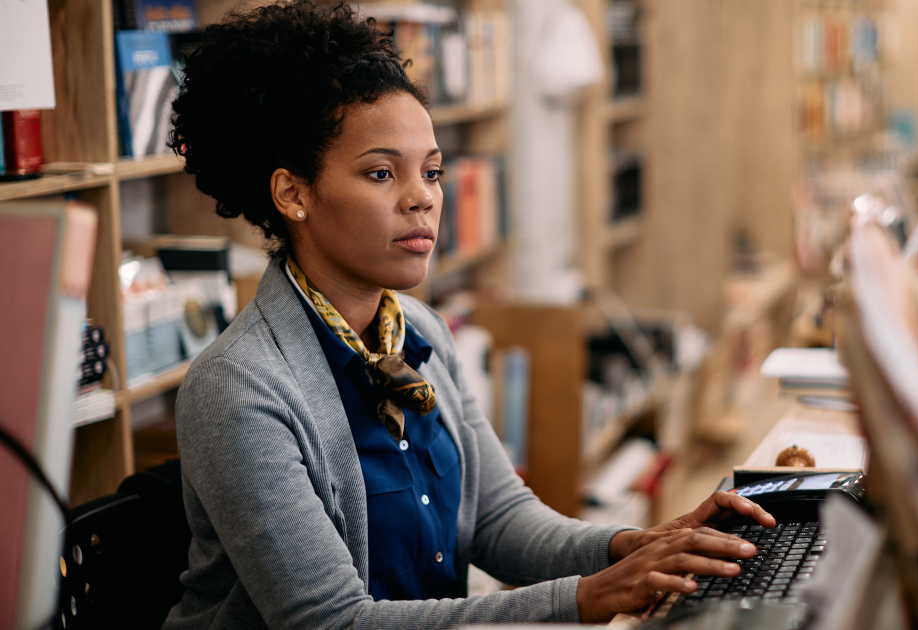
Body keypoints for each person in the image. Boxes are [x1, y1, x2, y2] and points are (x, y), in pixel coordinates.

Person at [161, 3, 774, 628]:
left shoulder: (420, 333)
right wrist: (587, 597)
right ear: (293, 193)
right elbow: (330, 621)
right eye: (381, 173)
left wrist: (635, 548)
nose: (422, 198)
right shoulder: (239, 388)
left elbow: (497, 519)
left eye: (432, 172)